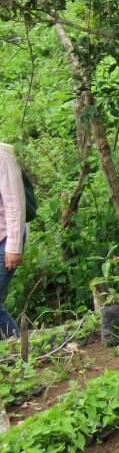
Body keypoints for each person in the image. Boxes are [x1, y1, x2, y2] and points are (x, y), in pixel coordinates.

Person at [0, 143, 26, 339]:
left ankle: (19, 349)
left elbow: (15, 203)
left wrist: (14, 246)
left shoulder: (3, 157)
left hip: (5, 239)